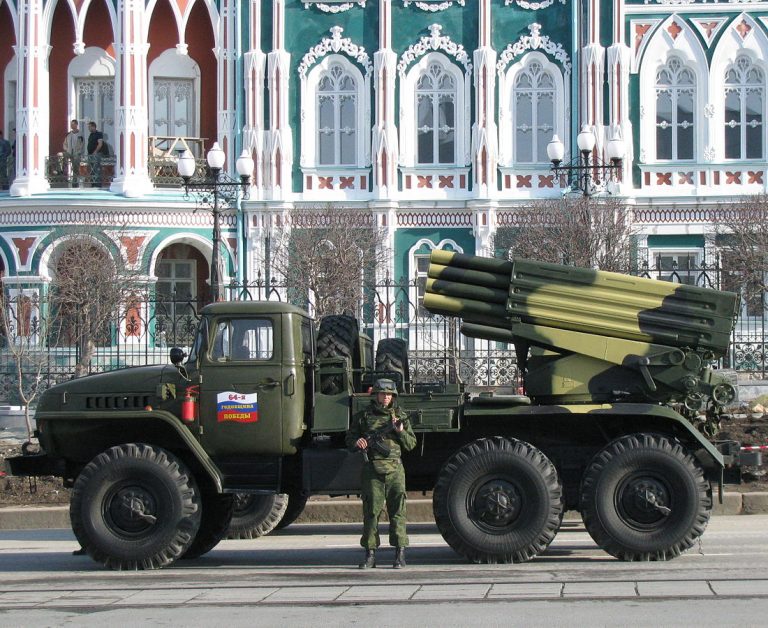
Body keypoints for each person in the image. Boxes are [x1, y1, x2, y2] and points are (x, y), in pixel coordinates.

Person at [346, 378, 416, 569]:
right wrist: (357, 442)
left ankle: (400, 553)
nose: (385, 398)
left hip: (395, 469)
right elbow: (349, 439)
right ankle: (370, 554)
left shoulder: (399, 416)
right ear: (376, 395)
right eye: (382, 394)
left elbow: (411, 444)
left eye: (389, 394)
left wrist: (400, 431)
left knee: (398, 512)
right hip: (372, 470)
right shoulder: (363, 417)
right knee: (371, 512)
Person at [62, 120, 84, 187]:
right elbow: (64, 143)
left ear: (76, 125)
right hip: (69, 152)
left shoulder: (80, 134)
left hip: (76, 153)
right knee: (60, 155)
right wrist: (66, 149)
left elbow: (82, 144)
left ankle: (75, 182)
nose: (71, 126)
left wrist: (79, 152)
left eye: (73, 124)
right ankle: (61, 171)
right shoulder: (68, 134)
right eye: (71, 124)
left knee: (75, 168)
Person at [86, 121, 104, 186]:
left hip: (96, 154)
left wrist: (95, 151)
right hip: (90, 154)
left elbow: (100, 144)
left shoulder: (99, 134)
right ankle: (93, 183)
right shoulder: (91, 135)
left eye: (89, 127)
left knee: (96, 169)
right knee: (91, 169)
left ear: (93, 127)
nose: (89, 129)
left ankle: (98, 184)